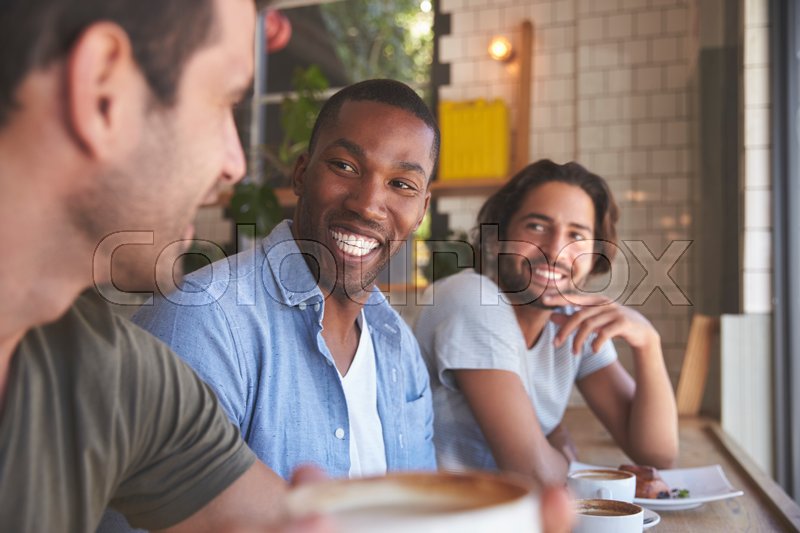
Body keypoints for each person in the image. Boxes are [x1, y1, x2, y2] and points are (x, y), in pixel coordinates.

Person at [0, 0, 332, 531]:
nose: (235, 163)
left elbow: (265, 521)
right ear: (102, 91)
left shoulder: (108, 372)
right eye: (224, 100)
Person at [130, 80, 438, 484]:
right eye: (345, 166)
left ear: (421, 211)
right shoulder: (204, 322)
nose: (367, 204)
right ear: (300, 174)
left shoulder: (398, 345)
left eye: (401, 184)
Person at [414, 159, 679, 487]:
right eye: (537, 227)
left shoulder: (569, 320)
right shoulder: (471, 297)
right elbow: (535, 474)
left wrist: (648, 344)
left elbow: (656, 454)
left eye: (576, 234)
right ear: (499, 238)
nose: (555, 249)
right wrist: (587, 470)